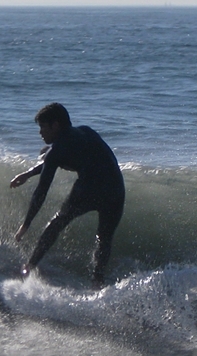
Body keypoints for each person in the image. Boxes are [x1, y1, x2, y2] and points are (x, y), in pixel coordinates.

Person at [10, 103, 125, 287]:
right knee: (104, 238)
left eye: (43, 127)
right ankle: (98, 281)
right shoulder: (86, 132)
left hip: (90, 188)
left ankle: (29, 267)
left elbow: (42, 190)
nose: (40, 133)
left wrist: (26, 224)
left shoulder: (56, 151)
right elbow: (57, 159)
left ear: (55, 125)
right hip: (116, 188)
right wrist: (29, 173)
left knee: (57, 223)